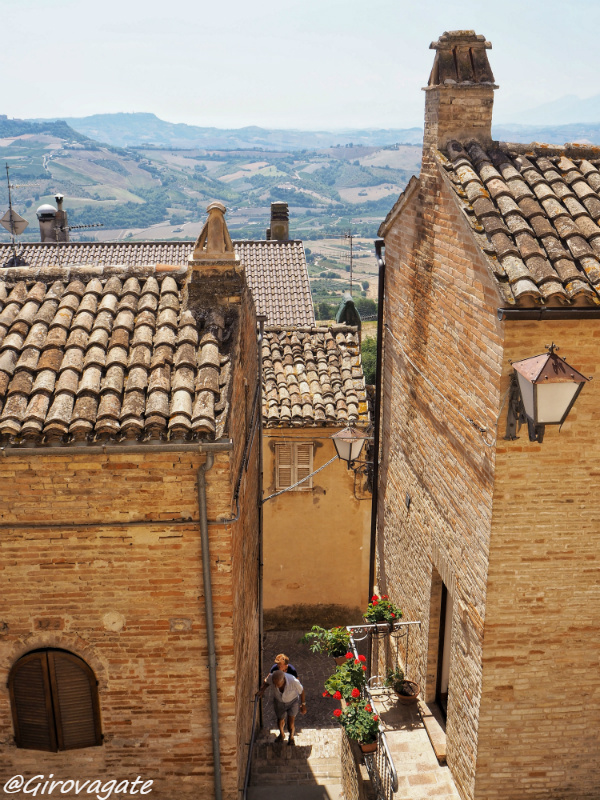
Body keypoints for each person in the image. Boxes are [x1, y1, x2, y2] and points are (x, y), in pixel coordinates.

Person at [257, 669, 306, 745]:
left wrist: (303, 705)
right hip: (279, 701)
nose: (276, 686)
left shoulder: (293, 681)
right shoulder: (272, 677)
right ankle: (282, 734)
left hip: (292, 702)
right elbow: (266, 681)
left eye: (278, 684)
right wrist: (262, 690)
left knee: (291, 721)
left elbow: (301, 691)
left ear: (283, 680)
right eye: (274, 684)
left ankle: (291, 737)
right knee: (280, 719)